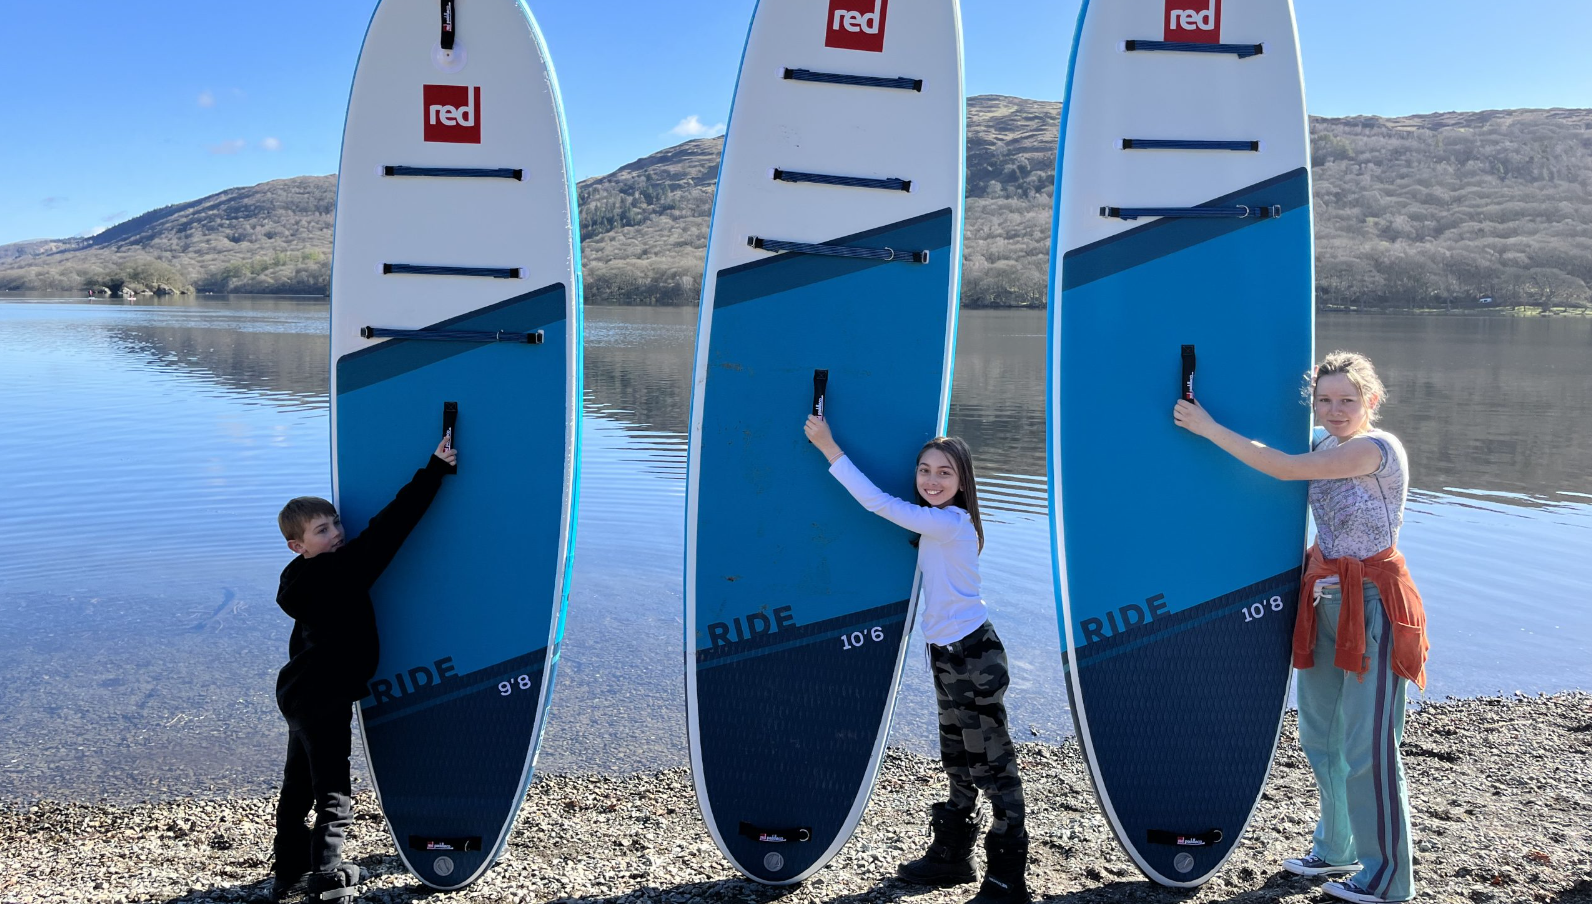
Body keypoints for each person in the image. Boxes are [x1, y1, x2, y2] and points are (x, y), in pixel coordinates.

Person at [1173, 350, 1429, 904]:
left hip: (1375, 604)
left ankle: (1388, 878)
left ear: (1371, 401)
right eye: (1325, 399)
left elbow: (1284, 468)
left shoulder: (1376, 449)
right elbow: (1272, 444)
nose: (1335, 410)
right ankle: (1337, 848)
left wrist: (1207, 426)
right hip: (1326, 600)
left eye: (1348, 400)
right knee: (1320, 735)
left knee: (1368, 746)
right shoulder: (1323, 442)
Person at [804, 415, 1029, 904]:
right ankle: (952, 856)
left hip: (973, 656)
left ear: (963, 481)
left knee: (993, 764)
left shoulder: (950, 523)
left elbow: (877, 503)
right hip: (947, 654)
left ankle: (1008, 878)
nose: (932, 480)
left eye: (945, 472)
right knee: (957, 755)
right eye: (924, 470)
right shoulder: (937, 523)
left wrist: (829, 447)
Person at [269, 434, 457, 903]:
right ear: (298, 545)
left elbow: (304, 639)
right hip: (323, 698)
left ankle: (287, 872)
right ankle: (327, 877)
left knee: (299, 785)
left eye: (335, 522)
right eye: (322, 530)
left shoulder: (297, 579)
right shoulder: (342, 572)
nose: (336, 533)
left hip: (299, 694)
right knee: (334, 789)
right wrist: (434, 470)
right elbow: (391, 526)